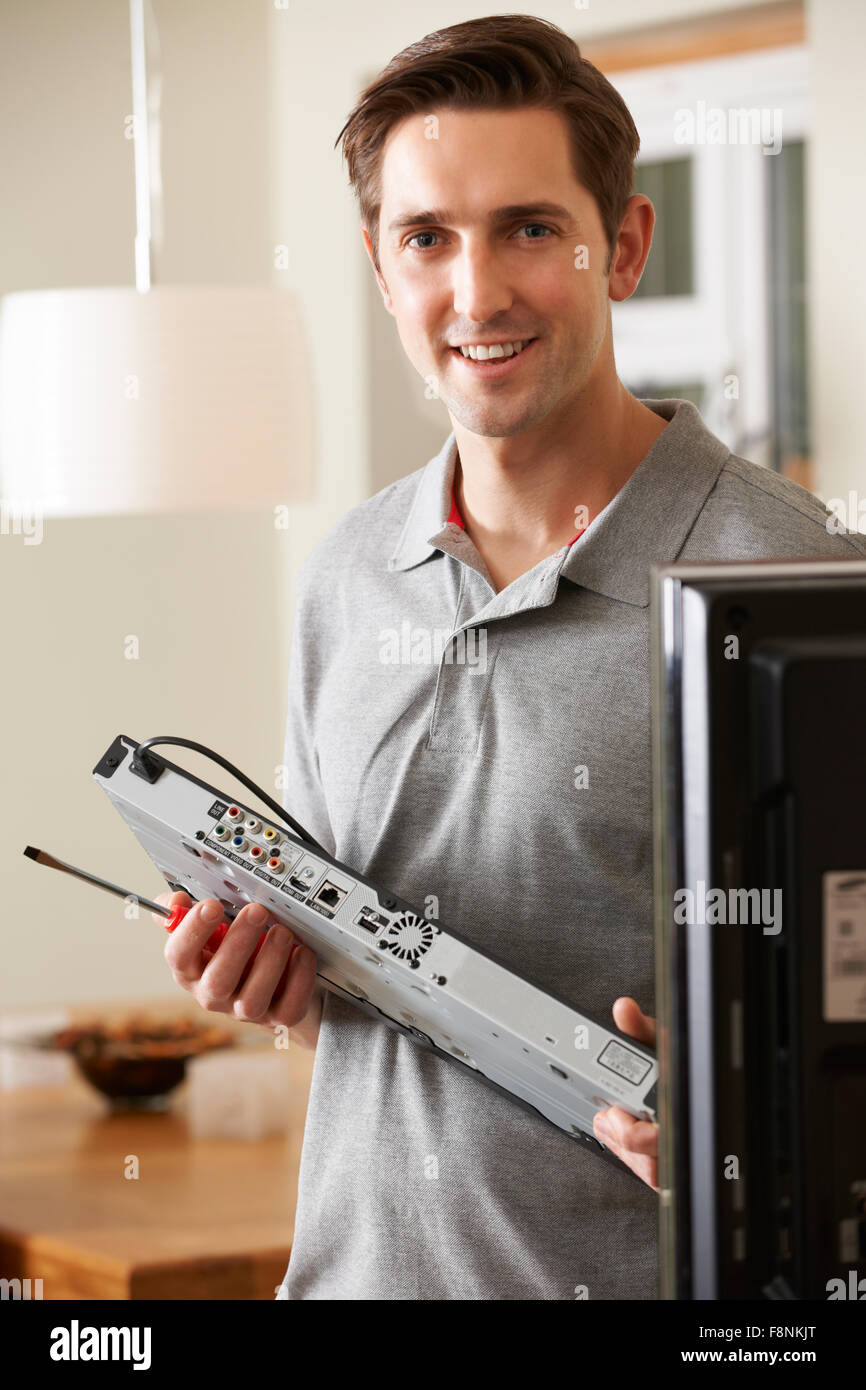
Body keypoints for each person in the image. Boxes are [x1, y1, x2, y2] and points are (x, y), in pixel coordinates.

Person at [157, 15, 866, 1299]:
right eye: (426, 237)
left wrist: (763, 1135)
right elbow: (361, 997)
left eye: (529, 228)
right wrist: (275, 980)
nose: (475, 293)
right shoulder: (345, 571)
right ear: (381, 267)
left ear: (625, 246)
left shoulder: (793, 583)